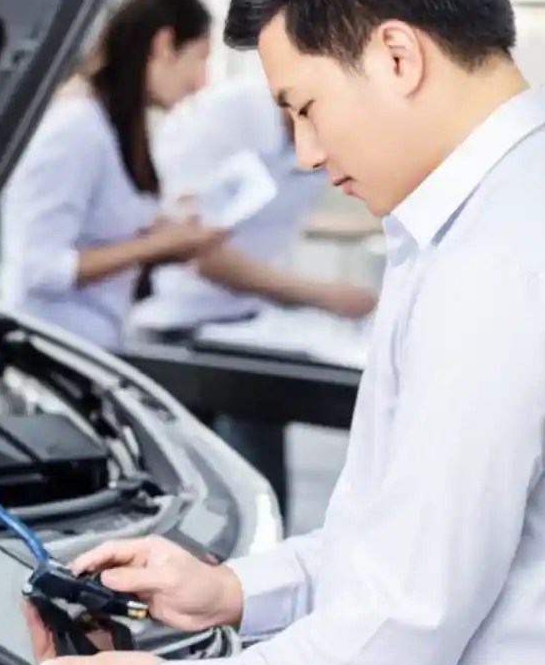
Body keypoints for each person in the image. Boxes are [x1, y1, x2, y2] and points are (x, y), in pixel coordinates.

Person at [32, 0, 545, 665]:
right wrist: (229, 588)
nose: (305, 152)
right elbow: (394, 550)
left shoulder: (502, 263)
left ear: (398, 56)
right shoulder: (493, 213)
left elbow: (405, 625)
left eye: (306, 107)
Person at [131, 74, 380, 518]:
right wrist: (323, 296)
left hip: (253, 324)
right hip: (181, 325)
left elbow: (274, 222)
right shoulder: (218, 122)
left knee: (258, 492)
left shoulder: (324, 127)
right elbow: (201, 253)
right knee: (203, 495)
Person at [0, 0, 225, 351]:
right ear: (164, 45)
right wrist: (156, 245)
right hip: (51, 348)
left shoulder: (116, 126)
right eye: (199, 58)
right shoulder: (76, 127)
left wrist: (164, 231)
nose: (201, 83)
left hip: (94, 345)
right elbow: (38, 267)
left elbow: (100, 226)